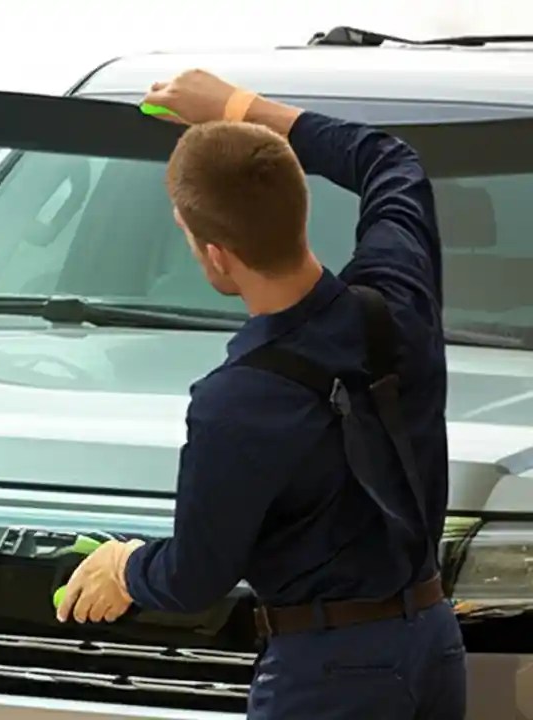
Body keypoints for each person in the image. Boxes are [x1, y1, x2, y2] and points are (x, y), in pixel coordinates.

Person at [53, 69, 465, 719]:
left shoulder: (234, 402)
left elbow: (195, 577)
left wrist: (124, 567)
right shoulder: (399, 292)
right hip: (435, 645)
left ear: (215, 255)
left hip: (327, 675)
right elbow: (390, 159)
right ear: (302, 203)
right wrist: (238, 106)